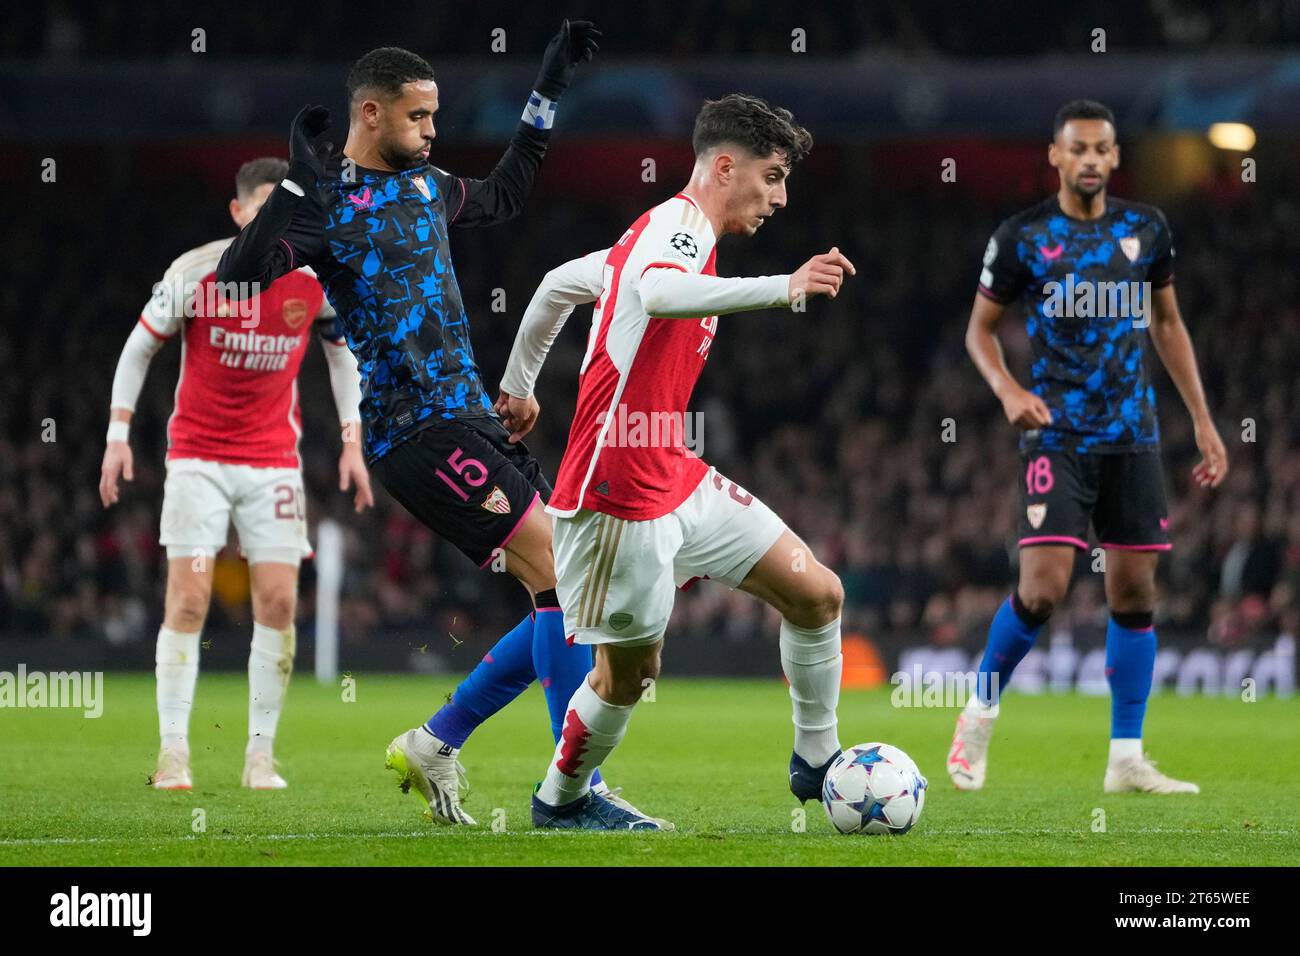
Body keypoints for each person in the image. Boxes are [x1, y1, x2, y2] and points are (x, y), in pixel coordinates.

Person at [215, 23, 660, 826]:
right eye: (419, 118)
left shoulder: (427, 188)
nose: (431, 132)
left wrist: (547, 90)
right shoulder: (326, 204)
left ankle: (436, 741)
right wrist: (295, 182)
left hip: (472, 419)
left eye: (434, 117)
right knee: (566, 575)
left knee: (557, 594)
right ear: (372, 112)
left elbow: (508, 192)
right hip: (416, 435)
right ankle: (572, 793)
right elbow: (236, 277)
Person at [497, 93, 859, 829]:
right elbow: (660, 292)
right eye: (773, 176)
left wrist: (518, 387)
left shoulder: (661, 233)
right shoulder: (678, 228)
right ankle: (560, 801)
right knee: (628, 677)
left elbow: (554, 287)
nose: (780, 197)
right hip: (615, 495)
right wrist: (783, 289)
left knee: (817, 594)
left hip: (671, 471)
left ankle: (816, 762)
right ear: (725, 166)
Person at [948, 99, 1229, 794]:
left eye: (1103, 148)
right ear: (1056, 156)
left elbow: (1168, 323)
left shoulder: (1146, 229)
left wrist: (1201, 417)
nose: (1092, 160)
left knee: (1135, 594)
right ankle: (979, 714)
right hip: (1057, 435)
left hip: (1132, 436)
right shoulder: (1022, 237)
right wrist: (1009, 392)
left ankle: (1126, 758)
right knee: (1042, 591)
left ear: (1115, 156)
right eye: (1079, 149)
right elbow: (978, 332)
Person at [100, 156, 373, 791]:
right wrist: (117, 435)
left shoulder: (315, 278)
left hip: (273, 462)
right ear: (239, 213)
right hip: (198, 458)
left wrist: (352, 443)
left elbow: (342, 359)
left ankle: (259, 756)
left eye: (287, 212)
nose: (276, 224)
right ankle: (173, 753)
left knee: (278, 601)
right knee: (189, 599)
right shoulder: (197, 272)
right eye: (264, 210)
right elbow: (140, 346)